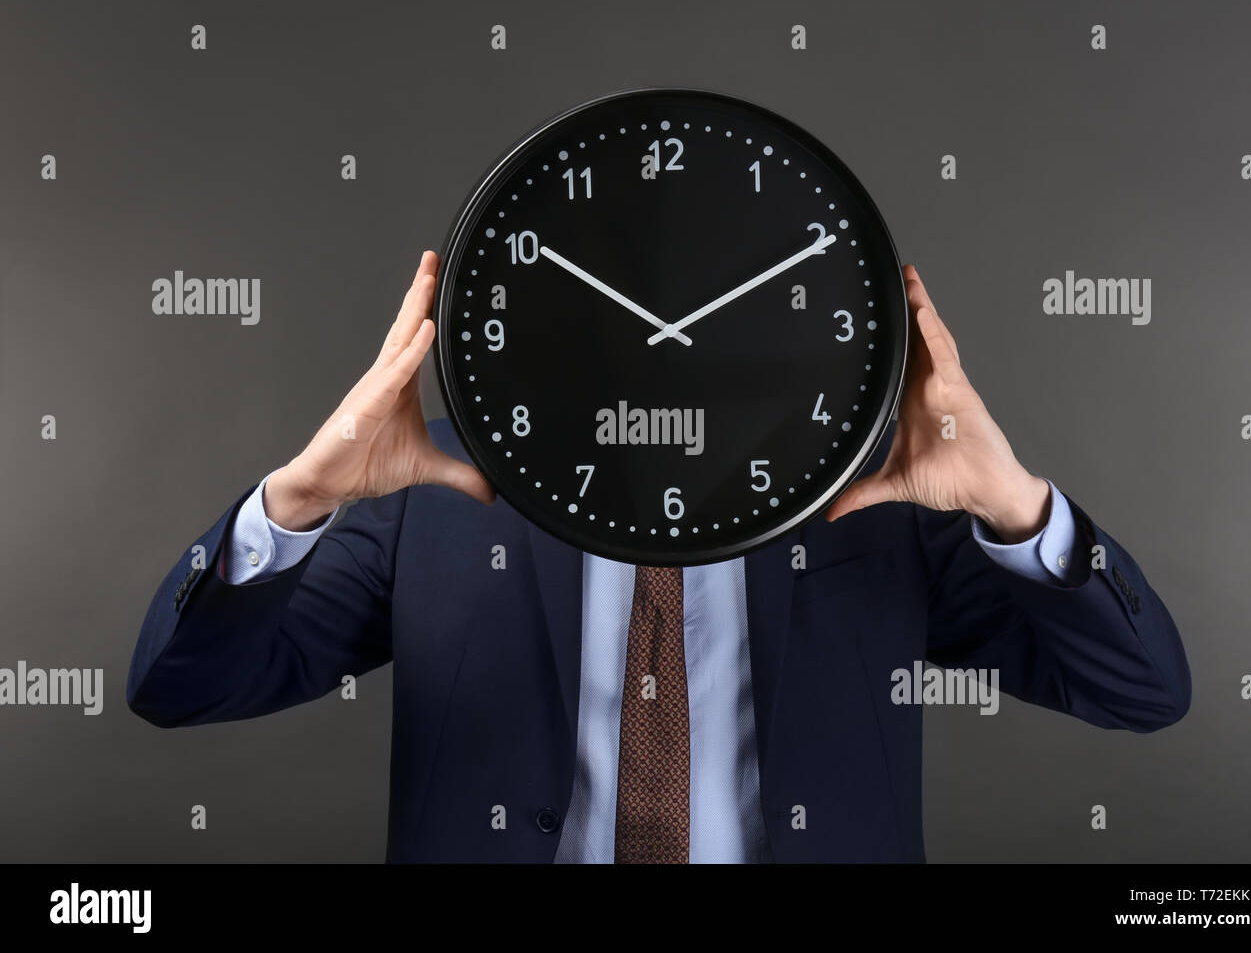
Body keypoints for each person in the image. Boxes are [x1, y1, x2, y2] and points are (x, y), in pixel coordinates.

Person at [127, 253, 1190, 863]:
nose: (664, 345)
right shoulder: (433, 488)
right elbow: (179, 686)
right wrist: (299, 498)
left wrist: (1015, 506)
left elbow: (1142, 690)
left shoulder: (874, 496)